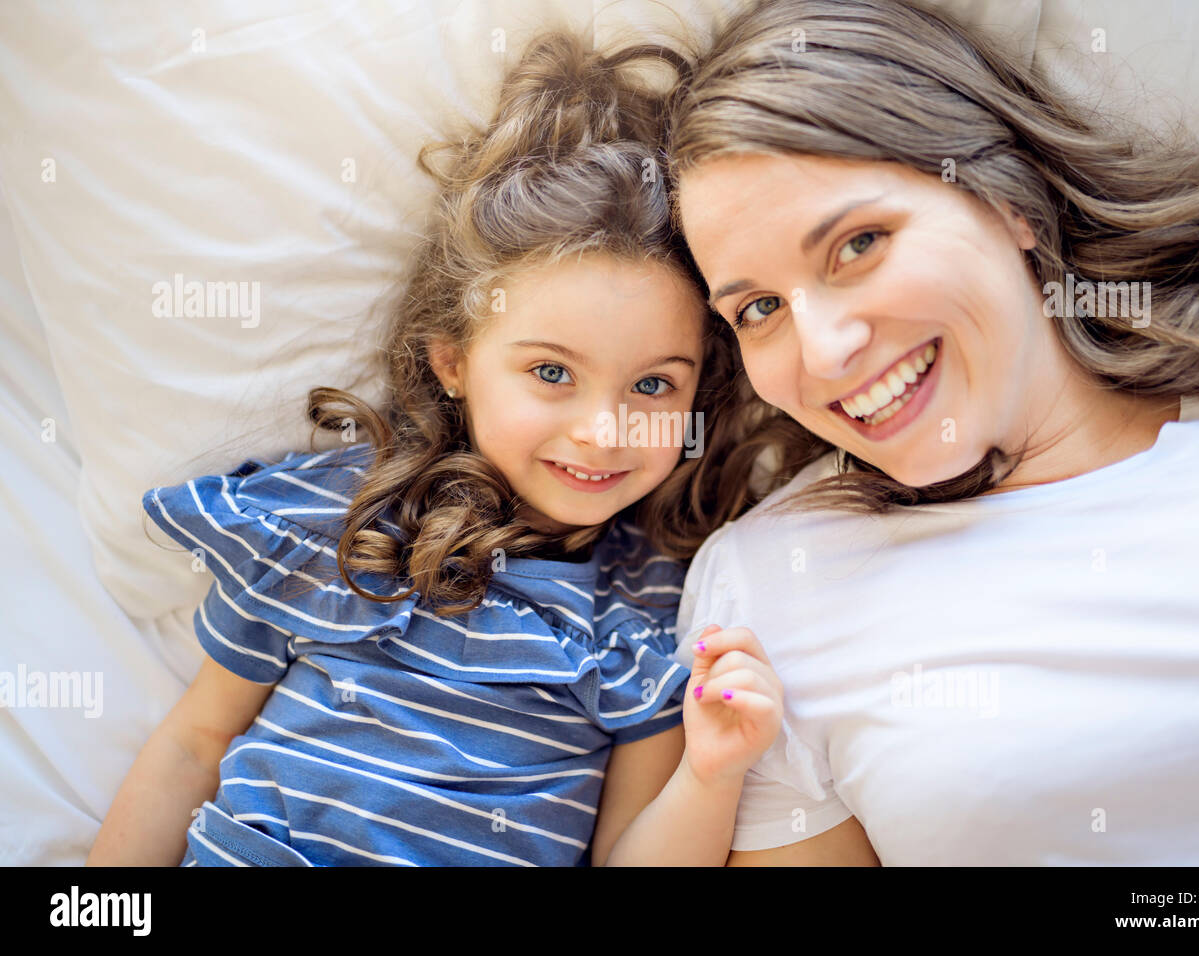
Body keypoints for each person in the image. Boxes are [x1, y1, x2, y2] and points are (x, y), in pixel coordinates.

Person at [86, 31, 785, 867]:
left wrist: (712, 775)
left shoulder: (648, 610)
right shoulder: (332, 519)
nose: (604, 430)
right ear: (452, 361)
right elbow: (194, 746)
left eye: (652, 386)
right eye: (552, 371)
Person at [665, 0, 1199, 864]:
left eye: (858, 245)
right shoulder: (768, 594)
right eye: (761, 308)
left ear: (1009, 204)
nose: (825, 351)